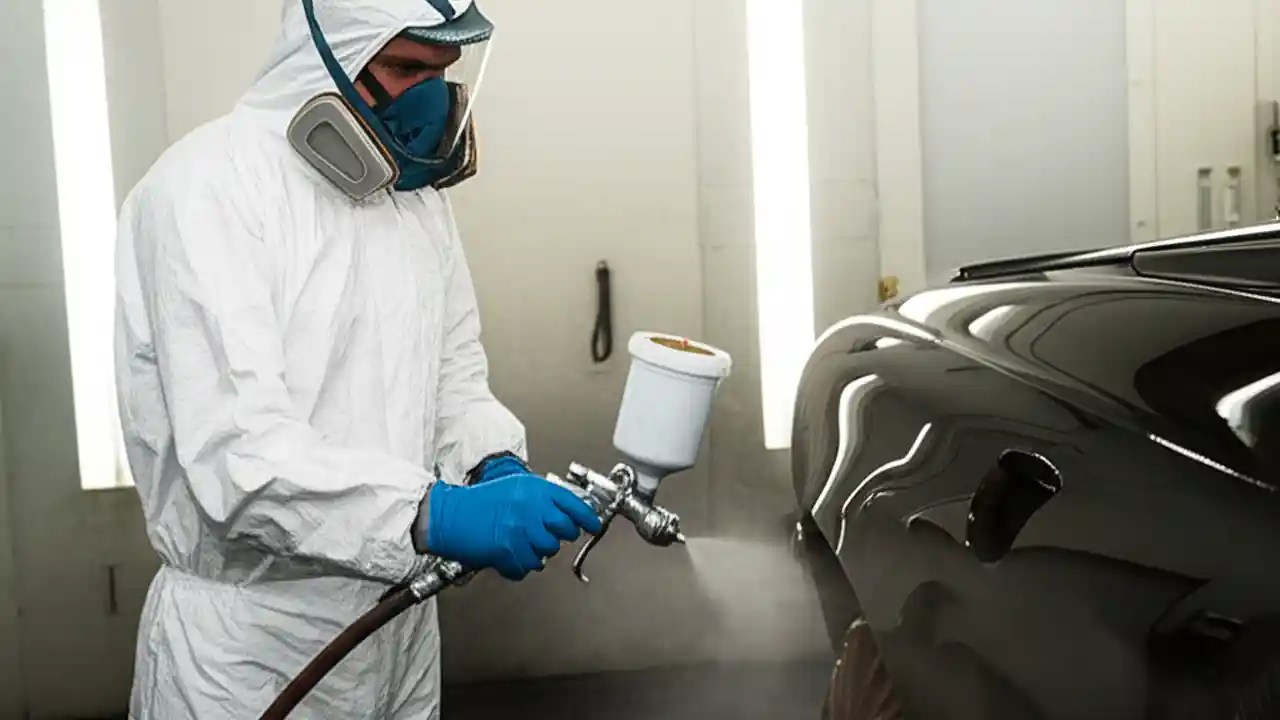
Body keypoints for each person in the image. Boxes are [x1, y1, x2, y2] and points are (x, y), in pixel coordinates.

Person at [113, 1, 602, 717]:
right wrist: (436, 514)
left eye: (441, 72)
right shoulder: (206, 190)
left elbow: (455, 380)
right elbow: (238, 458)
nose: (430, 100)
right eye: (405, 68)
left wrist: (489, 463)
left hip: (397, 628)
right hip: (250, 656)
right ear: (322, 62)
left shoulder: (414, 205)